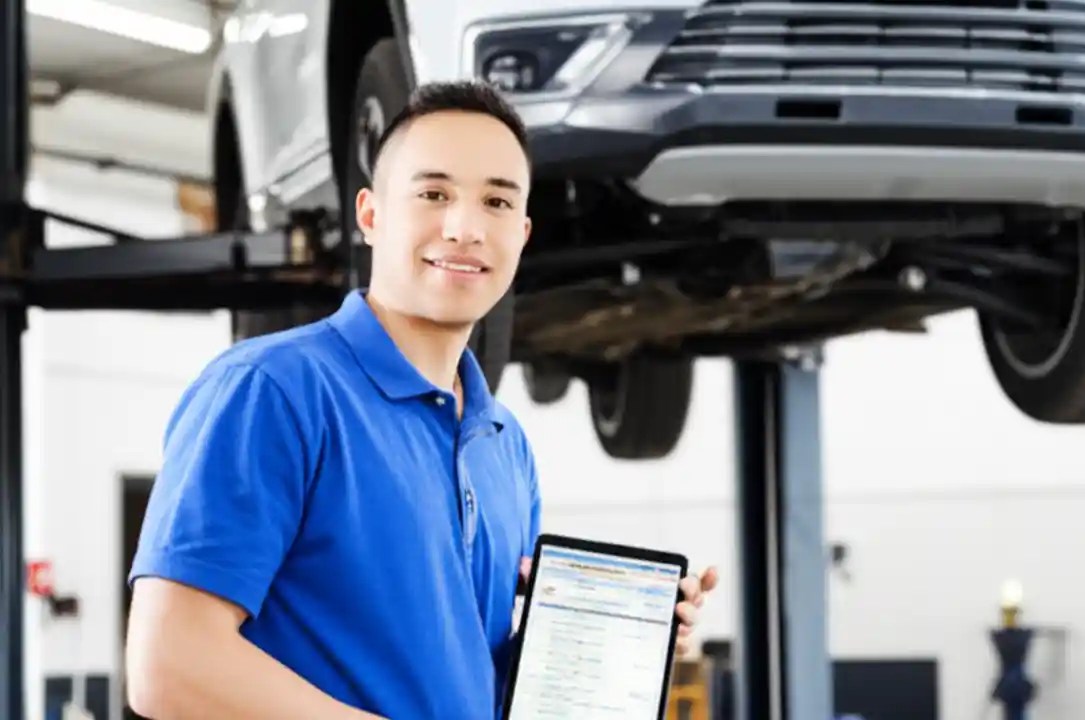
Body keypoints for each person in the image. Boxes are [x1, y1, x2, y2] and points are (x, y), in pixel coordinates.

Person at [124, 80, 719, 720]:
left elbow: (466, 679)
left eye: (496, 201)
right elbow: (170, 665)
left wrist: (612, 644)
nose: (464, 228)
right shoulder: (271, 392)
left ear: (521, 235)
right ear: (371, 214)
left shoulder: (502, 441)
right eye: (434, 194)